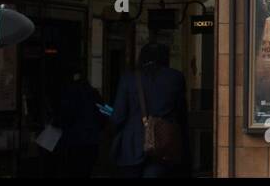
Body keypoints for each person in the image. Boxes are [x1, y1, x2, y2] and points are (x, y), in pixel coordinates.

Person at [110, 41, 189, 178]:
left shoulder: (128, 79)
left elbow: (118, 116)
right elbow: (181, 115)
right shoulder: (175, 77)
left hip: (132, 148)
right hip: (163, 146)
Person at [54, 63, 105, 178]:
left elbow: (64, 117)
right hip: (91, 141)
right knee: (86, 171)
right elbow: (106, 113)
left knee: (73, 170)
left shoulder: (69, 93)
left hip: (74, 142)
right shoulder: (94, 93)